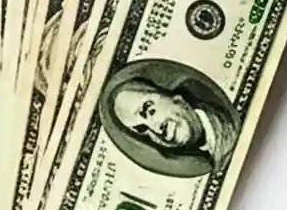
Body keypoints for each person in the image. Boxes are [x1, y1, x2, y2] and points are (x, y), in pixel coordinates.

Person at [99, 61, 239, 178]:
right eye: (142, 129)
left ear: (178, 99)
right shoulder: (206, 160)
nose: (155, 128)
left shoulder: (230, 128)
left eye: (149, 110)